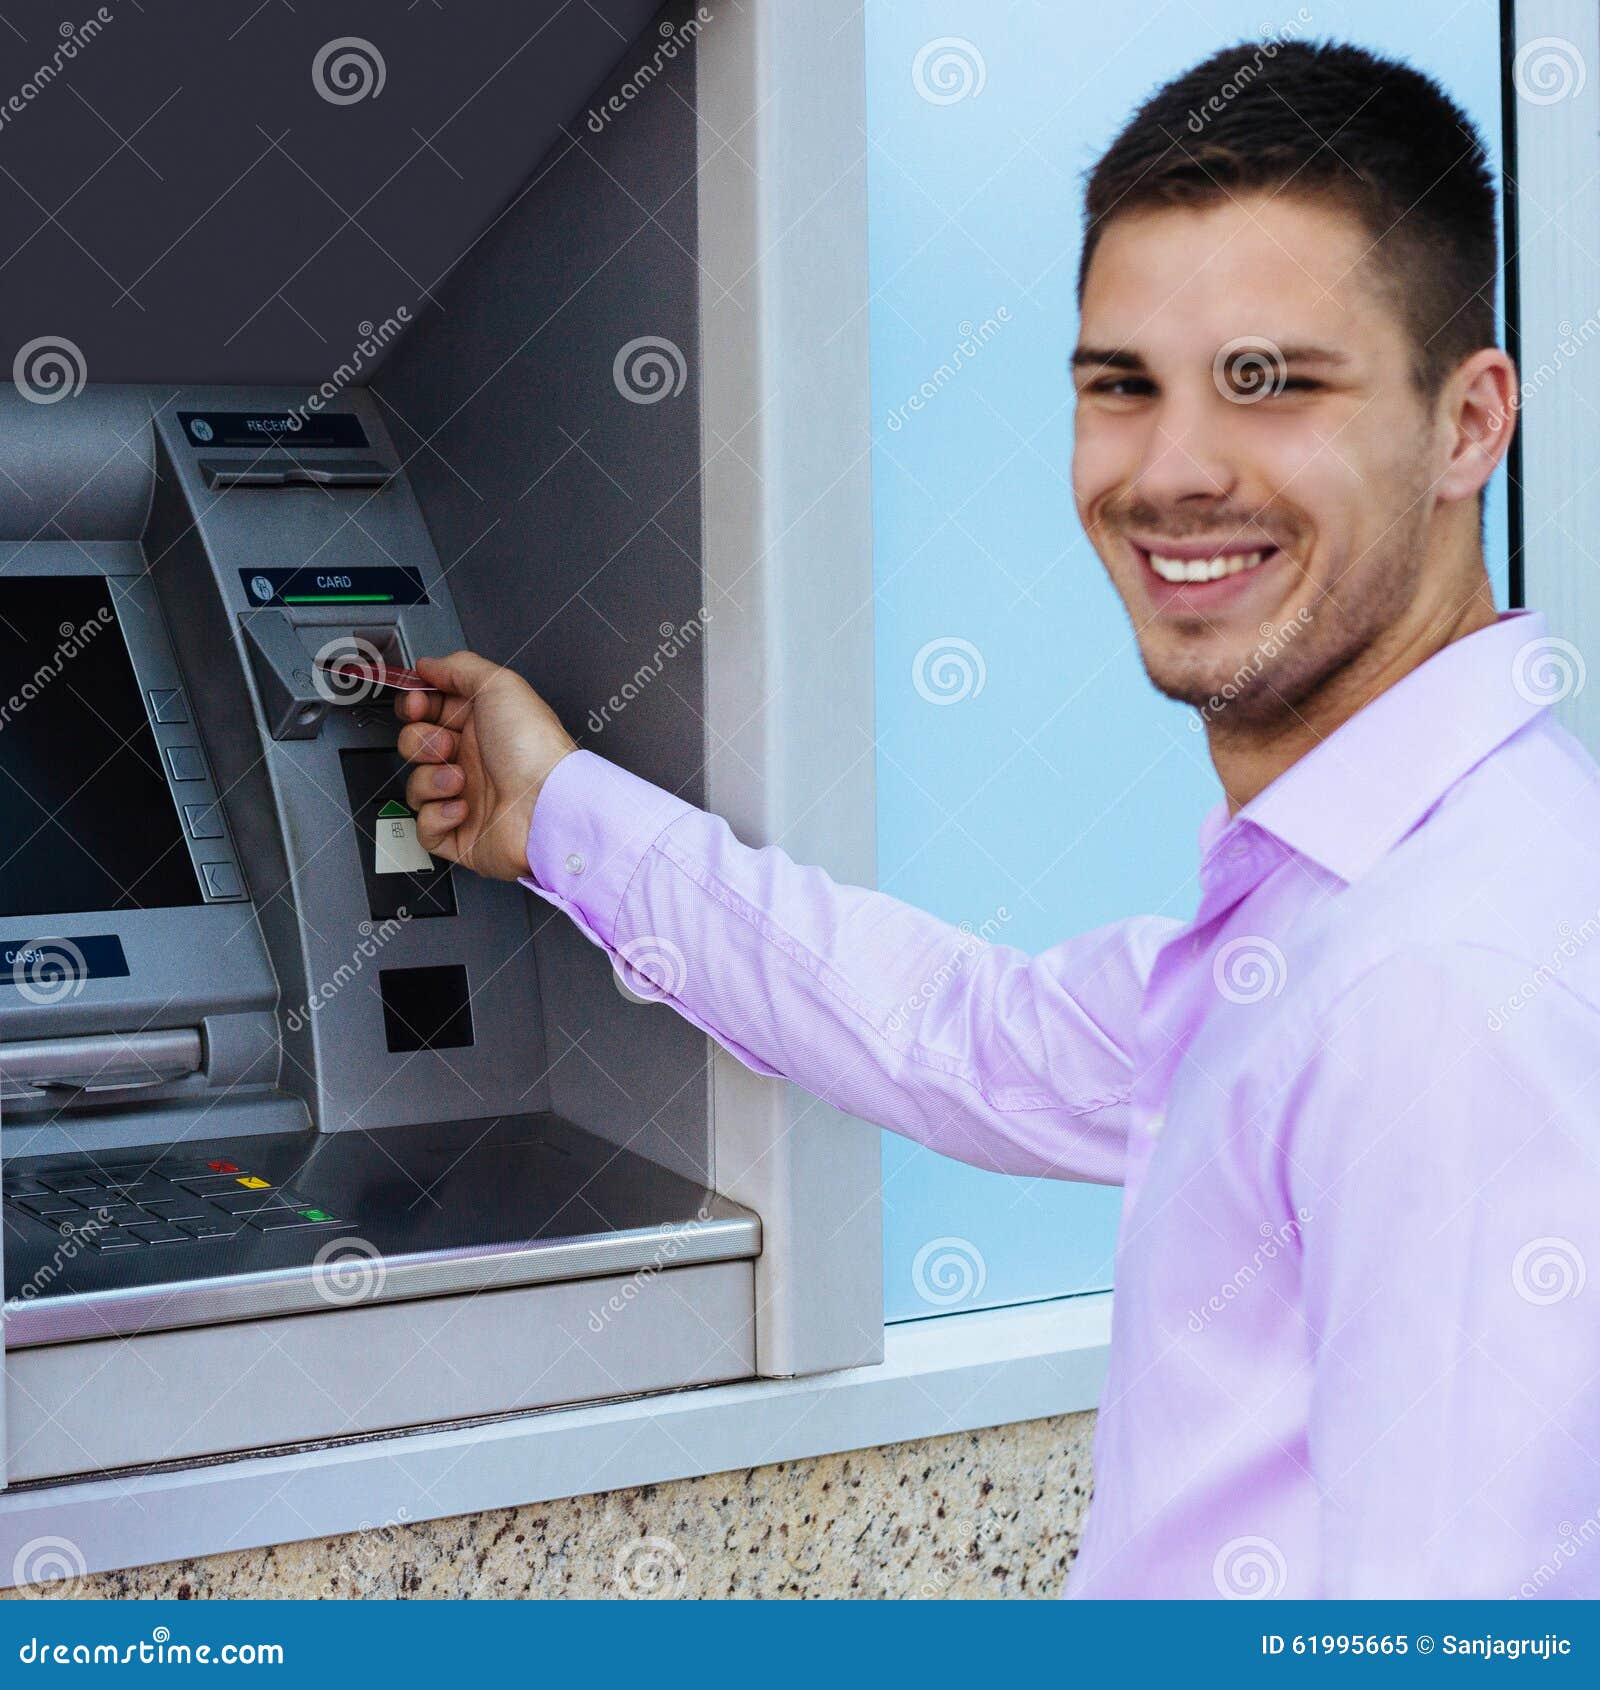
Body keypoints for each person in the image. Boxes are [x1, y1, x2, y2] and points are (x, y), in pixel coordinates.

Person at [394, 40, 1600, 1600]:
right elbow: (969, 1032)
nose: (1172, 473)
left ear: (1468, 423)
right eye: (1123, 386)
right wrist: (553, 807)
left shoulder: (1443, 983)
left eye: (1272, 382)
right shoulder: (1357, 890)